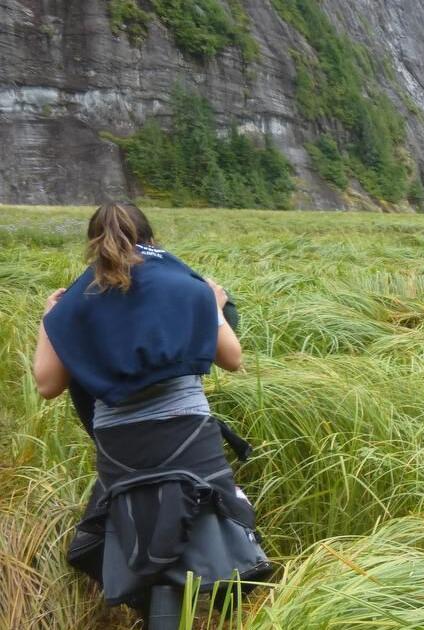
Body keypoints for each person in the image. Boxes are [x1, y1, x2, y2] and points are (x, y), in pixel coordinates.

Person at [33, 203, 270, 625]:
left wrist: (48, 321)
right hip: (186, 437)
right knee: (223, 516)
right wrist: (214, 306)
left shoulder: (74, 304)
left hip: (120, 449)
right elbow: (233, 359)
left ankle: (150, 602)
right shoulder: (187, 286)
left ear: (93, 245)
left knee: (132, 525)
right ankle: (224, 603)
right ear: (150, 237)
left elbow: (48, 386)